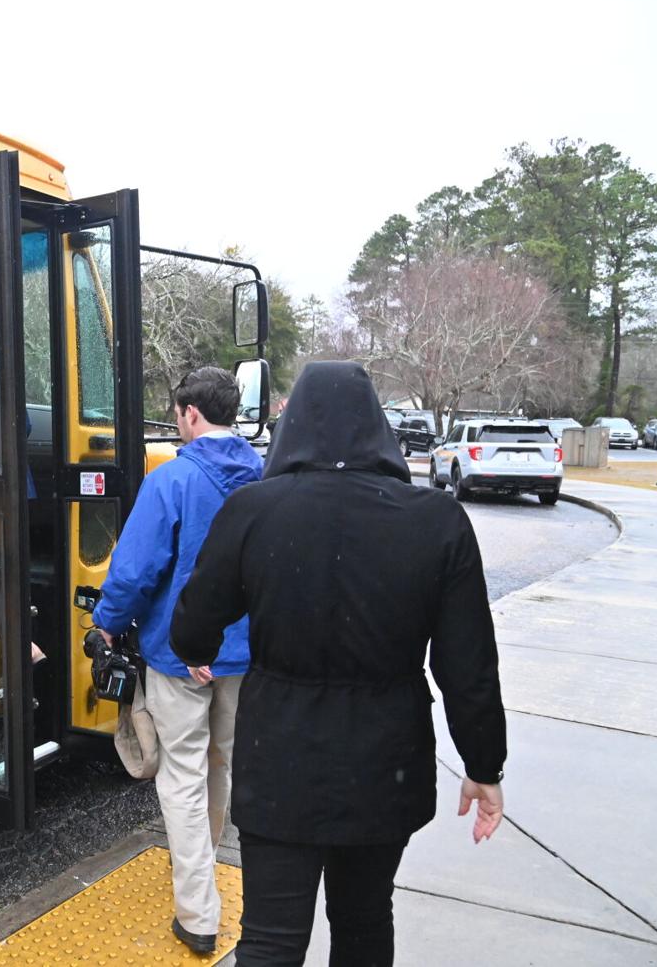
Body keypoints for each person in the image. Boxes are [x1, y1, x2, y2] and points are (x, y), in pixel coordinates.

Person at [171, 361, 507, 966]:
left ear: (293, 426)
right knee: (365, 921)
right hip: (385, 763)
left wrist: (201, 652)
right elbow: (469, 665)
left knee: (271, 938)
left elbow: (193, 631)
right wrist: (484, 765)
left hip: (279, 758)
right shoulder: (437, 521)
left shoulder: (253, 511)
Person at [91, 366, 263, 955]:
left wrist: (107, 624)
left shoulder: (171, 480)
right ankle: (205, 869)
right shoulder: (264, 477)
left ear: (190, 413)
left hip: (179, 654)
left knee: (183, 776)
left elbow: (136, 570)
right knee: (222, 767)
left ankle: (198, 913)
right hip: (243, 657)